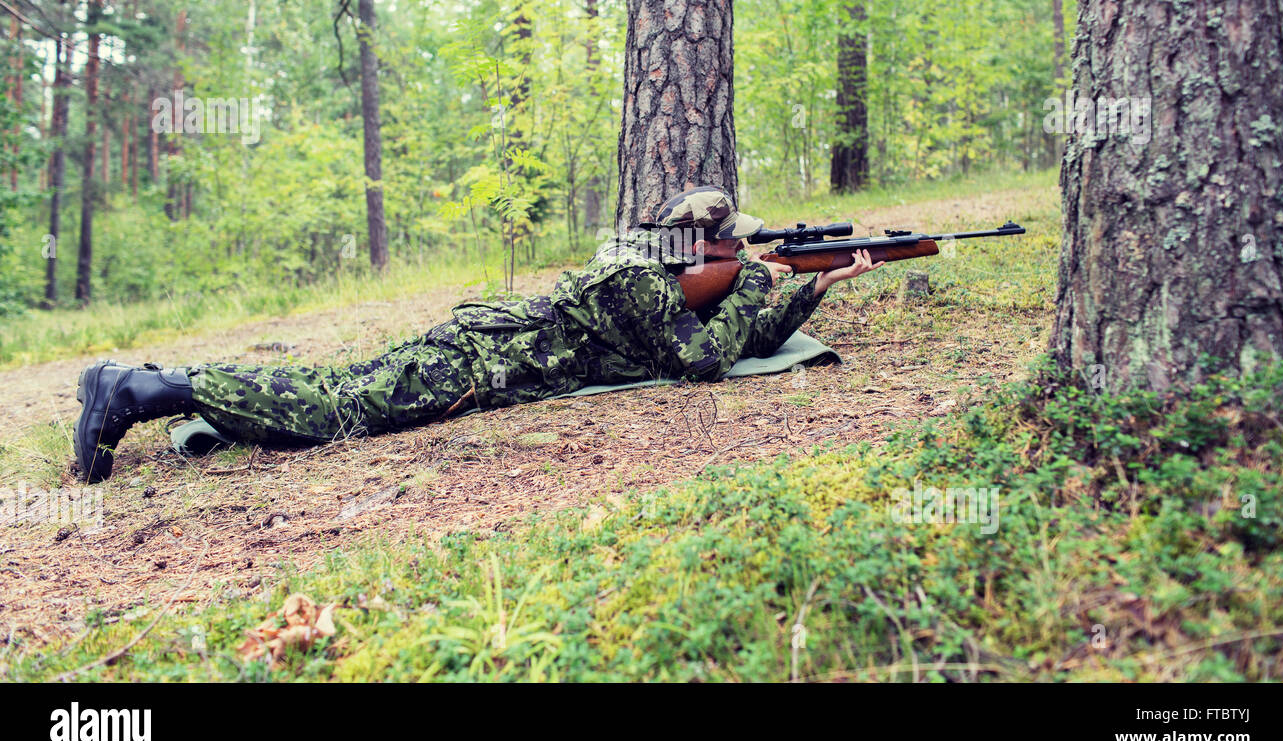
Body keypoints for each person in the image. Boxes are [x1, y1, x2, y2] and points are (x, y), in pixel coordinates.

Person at [72, 186, 882, 482]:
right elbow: (703, 363)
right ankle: (145, 389)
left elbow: (724, 333)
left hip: (477, 347)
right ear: (701, 247)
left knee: (333, 389)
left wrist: (810, 285)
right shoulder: (637, 279)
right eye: (734, 248)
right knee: (338, 413)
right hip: (477, 362)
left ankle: (149, 380)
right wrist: (755, 286)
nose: (743, 258)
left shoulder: (647, 260)